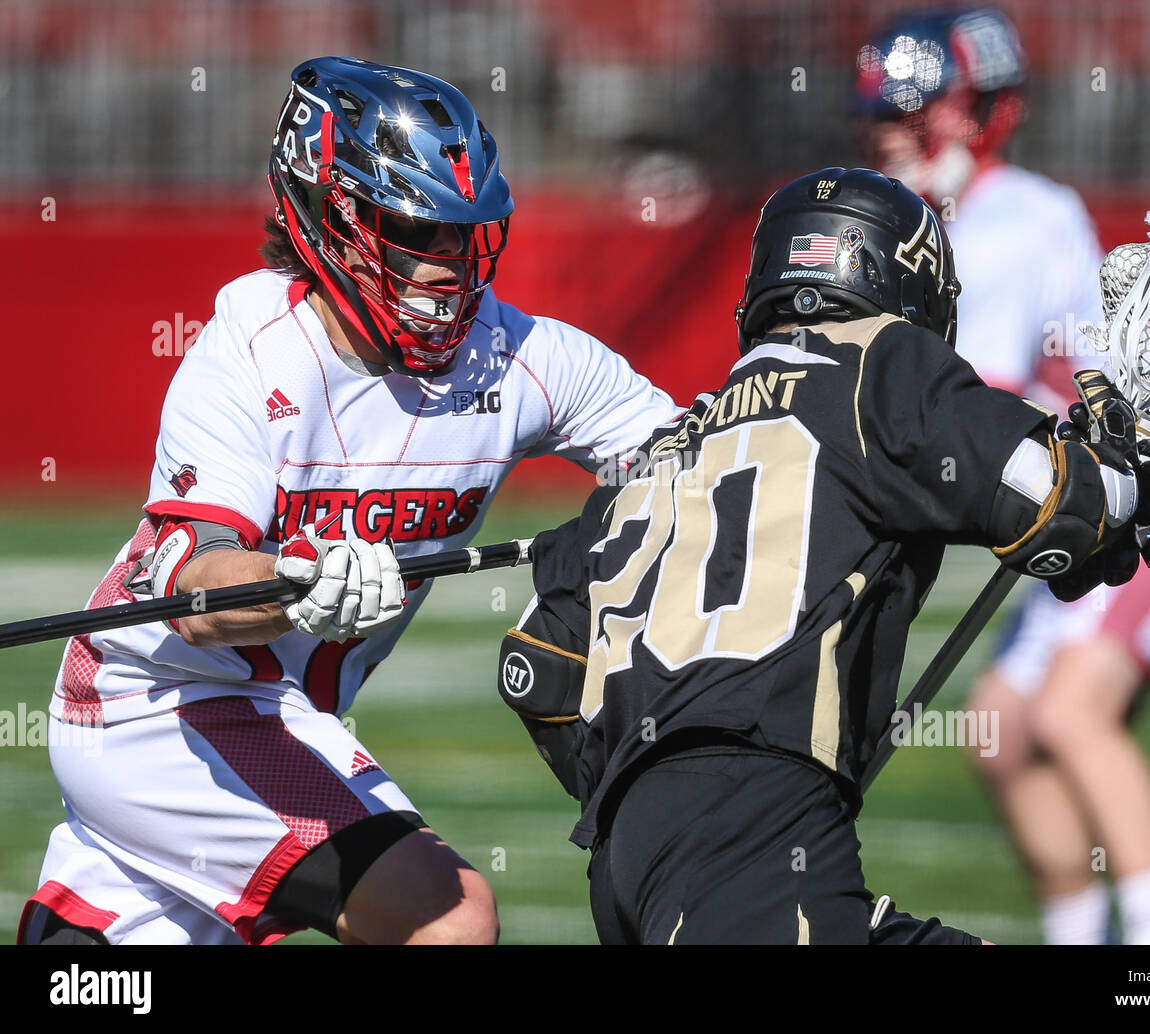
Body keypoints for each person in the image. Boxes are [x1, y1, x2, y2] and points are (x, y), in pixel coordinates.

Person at [19, 56, 679, 946]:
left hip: (271, 715)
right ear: (330, 216)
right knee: (448, 919)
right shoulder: (250, 350)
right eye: (414, 231)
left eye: (462, 235)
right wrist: (299, 580)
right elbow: (196, 593)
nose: (447, 267)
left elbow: (687, 458)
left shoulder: (515, 357)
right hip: (161, 705)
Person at [494, 167, 1150, 944]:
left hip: (631, 852)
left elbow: (537, 667)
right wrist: (1131, 477)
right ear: (913, 282)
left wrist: (645, 784)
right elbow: (1054, 504)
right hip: (753, 828)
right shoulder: (880, 362)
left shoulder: (664, 450)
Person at [855, 7, 1150, 944]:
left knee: (1074, 715)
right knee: (1003, 732)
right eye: (882, 123)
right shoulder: (939, 223)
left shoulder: (1012, 221)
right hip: (1082, 498)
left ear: (979, 112)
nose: (892, 142)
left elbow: (978, 400)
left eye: (913, 120)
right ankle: (1080, 938)